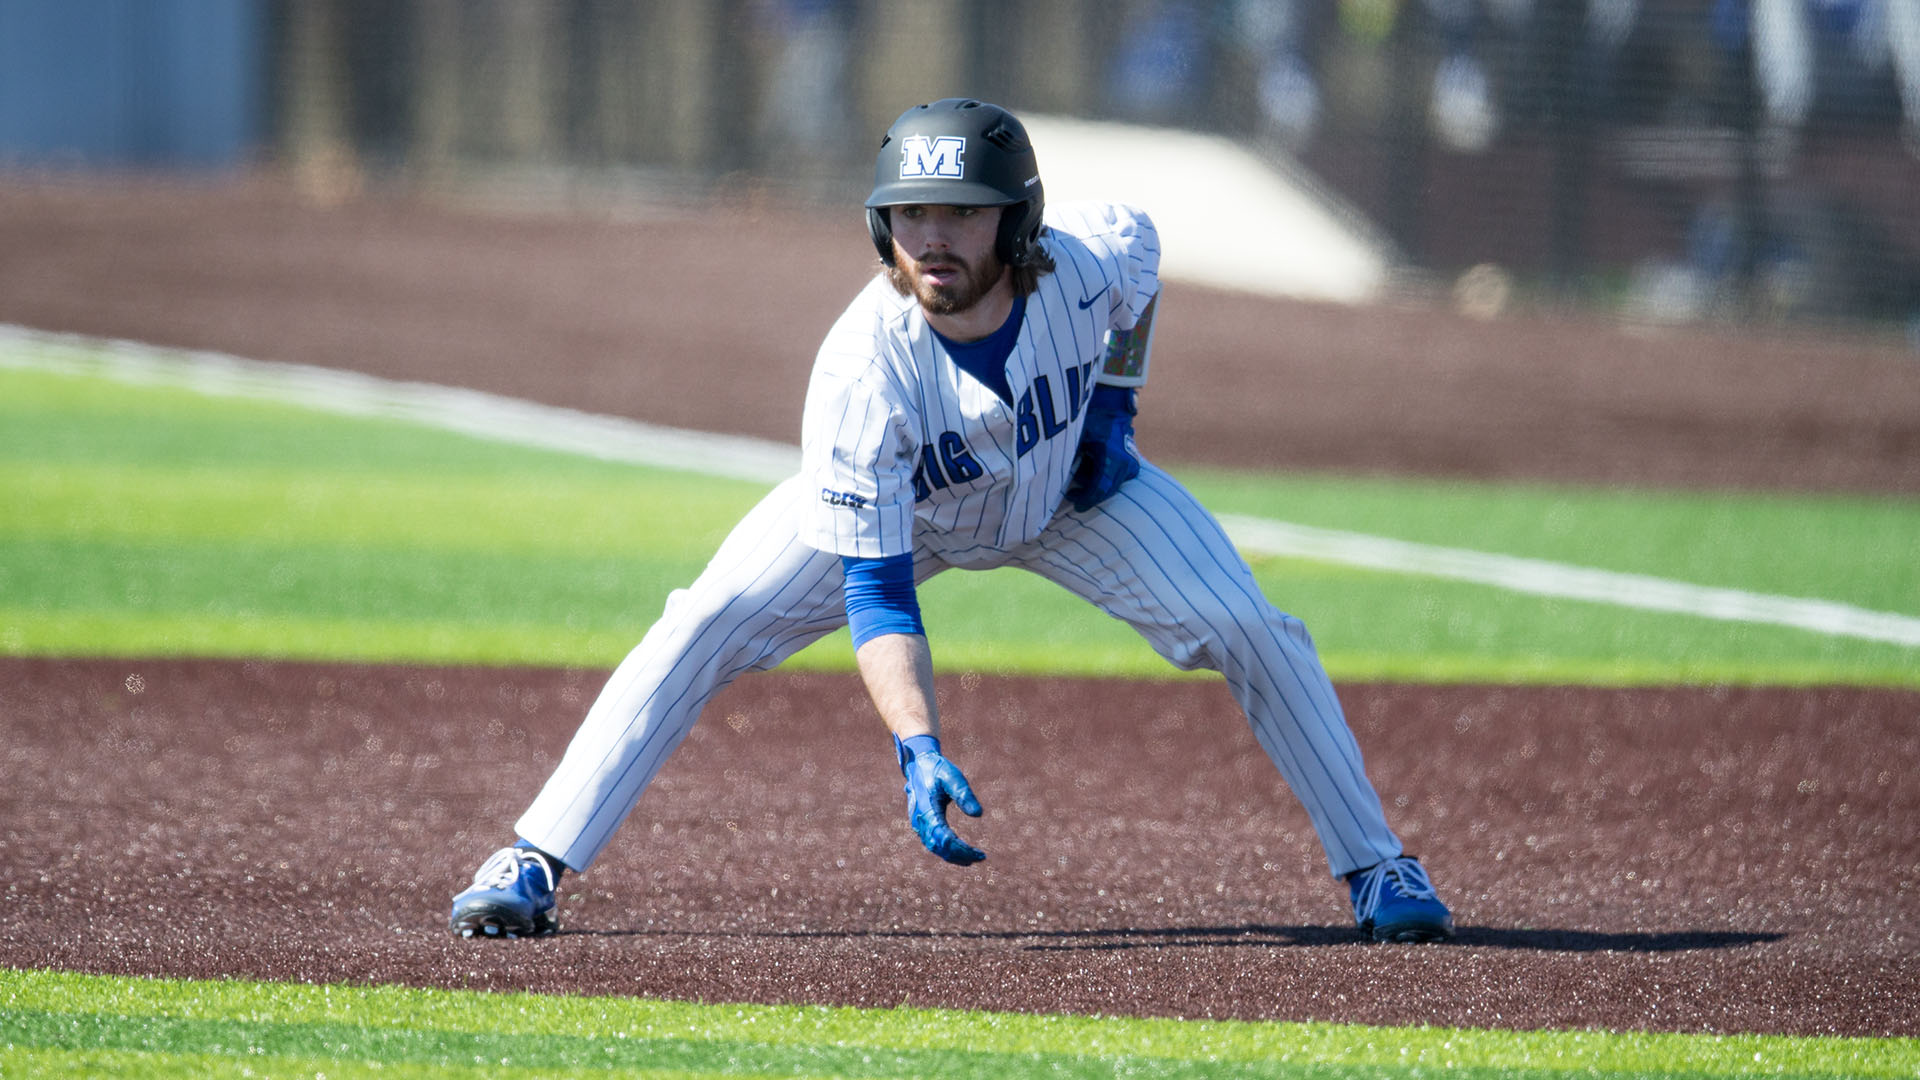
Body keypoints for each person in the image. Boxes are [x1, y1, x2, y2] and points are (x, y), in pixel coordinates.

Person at [448, 98, 1454, 944]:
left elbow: (1140, 259)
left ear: (1018, 223)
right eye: (911, 212)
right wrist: (918, 744)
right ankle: (535, 855)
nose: (932, 237)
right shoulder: (859, 373)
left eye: (961, 213)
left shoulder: (1082, 264)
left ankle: (1378, 868)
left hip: (1069, 495)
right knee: (704, 620)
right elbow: (876, 593)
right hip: (908, 517)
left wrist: (1113, 404)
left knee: (1249, 629)